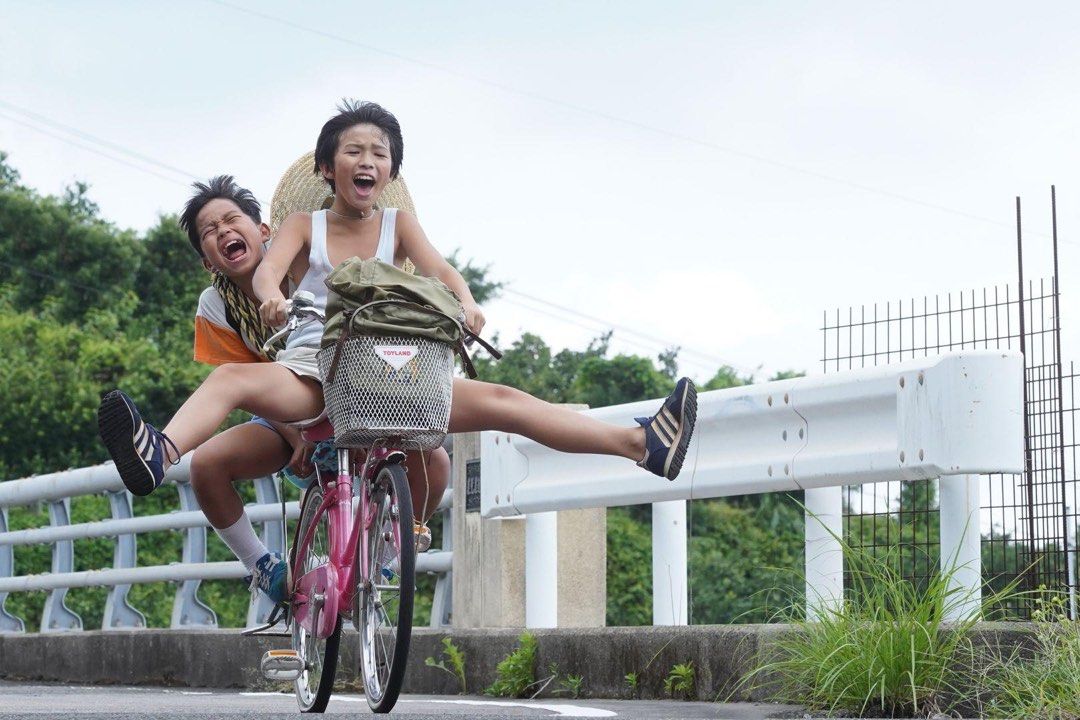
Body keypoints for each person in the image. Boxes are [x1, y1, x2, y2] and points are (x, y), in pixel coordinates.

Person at [102, 174, 449, 603]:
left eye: (232, 220)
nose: (224, 232)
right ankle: (264, 568)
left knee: (435, 461)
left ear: (265, 231)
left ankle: (384, 556)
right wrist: (293, 432)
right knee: (206, 466)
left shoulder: (299, 264)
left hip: (344, 392)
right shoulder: (217, 306)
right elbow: (247, 383)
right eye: (209, 232)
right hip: (285, 414)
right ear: (208, 262)